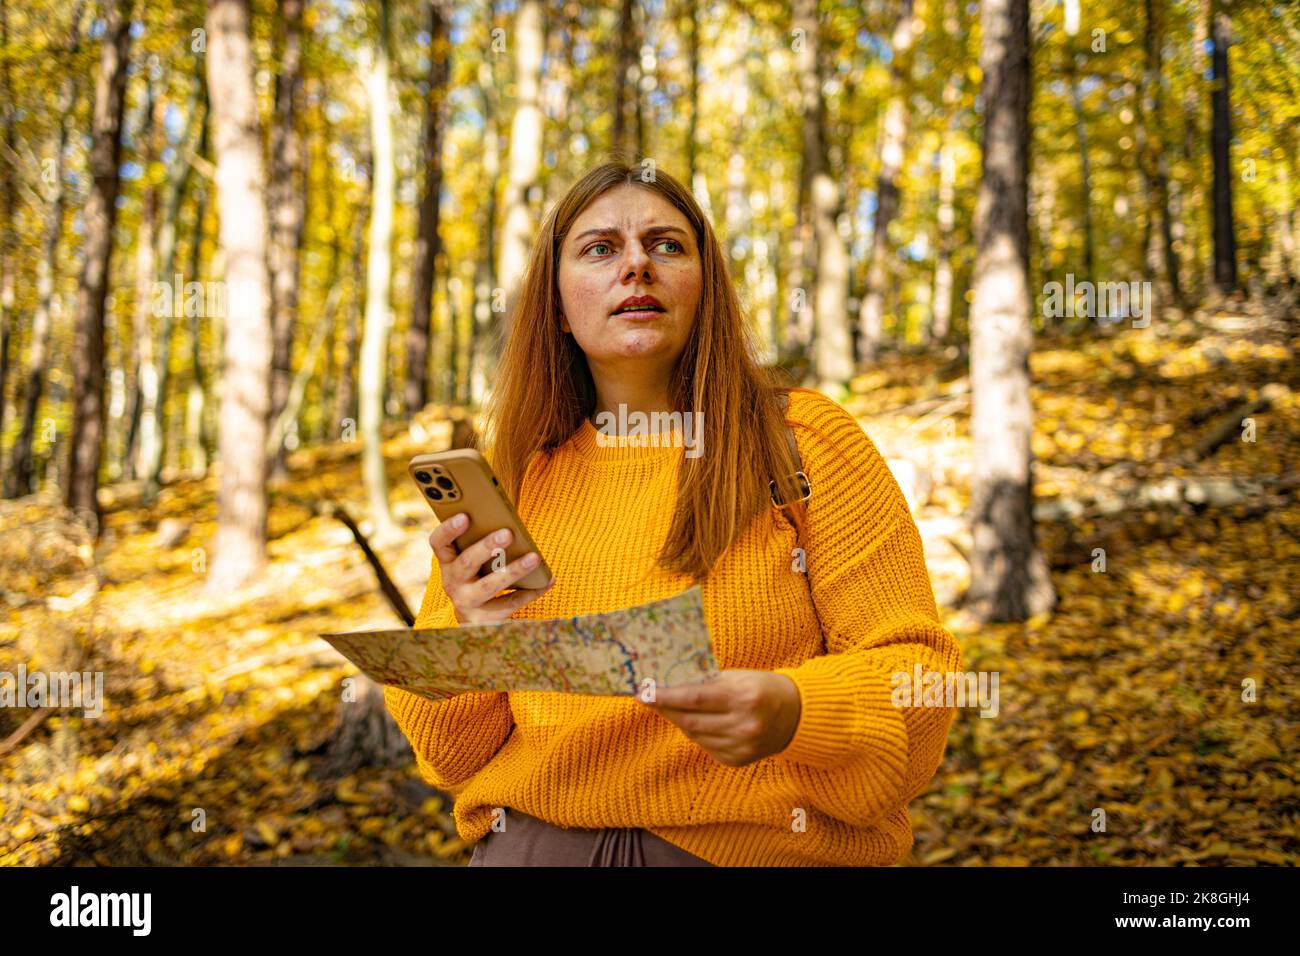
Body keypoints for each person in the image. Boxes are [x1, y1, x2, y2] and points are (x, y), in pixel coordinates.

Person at [383, 159, 963, 866]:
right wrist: (467, 641)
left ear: (704, 286)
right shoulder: (518, 477)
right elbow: (446, 759)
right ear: (559, 309)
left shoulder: (803, 443)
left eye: (666, 245)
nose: (636, 266)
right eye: (600, 248)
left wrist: (794, 709)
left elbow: (920, 680)